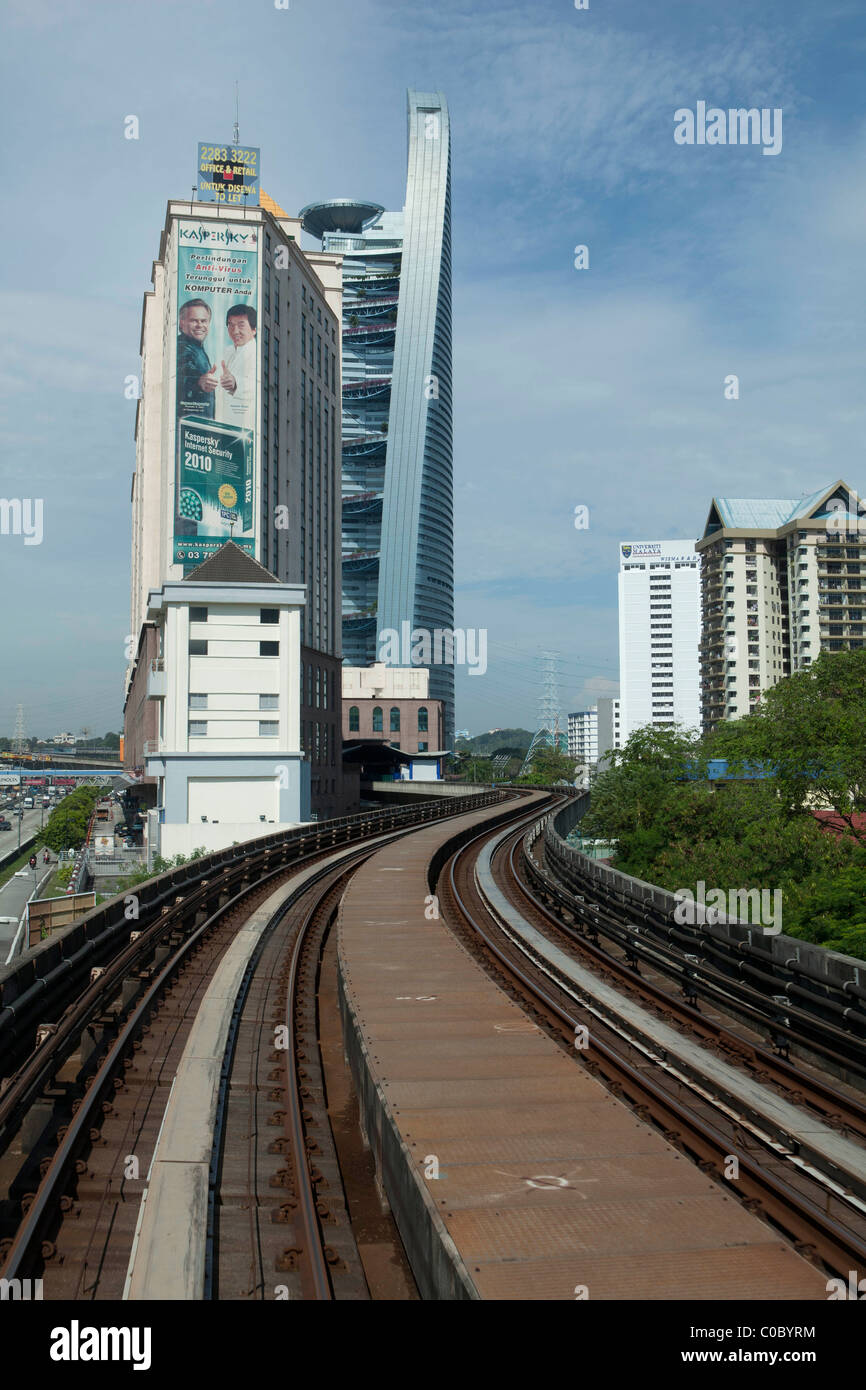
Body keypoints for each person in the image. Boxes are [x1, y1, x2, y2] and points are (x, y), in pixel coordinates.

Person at [177, 299, 217, 419]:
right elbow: (183, 368)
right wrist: (198, 381)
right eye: (194, 320)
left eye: (204, 321)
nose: (200, 325)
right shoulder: (182, 346)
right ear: (182, 323)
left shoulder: (198, 348)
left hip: (198, 430)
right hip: (186, 430)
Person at [219, 304, 257, 431]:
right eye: (231, 325)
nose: (235, 331)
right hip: (223, 424)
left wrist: (236, 384)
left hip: (245, 427)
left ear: (254, 329)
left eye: (241, 325)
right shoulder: (227, 351)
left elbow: (258, 385)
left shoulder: (257, 353)